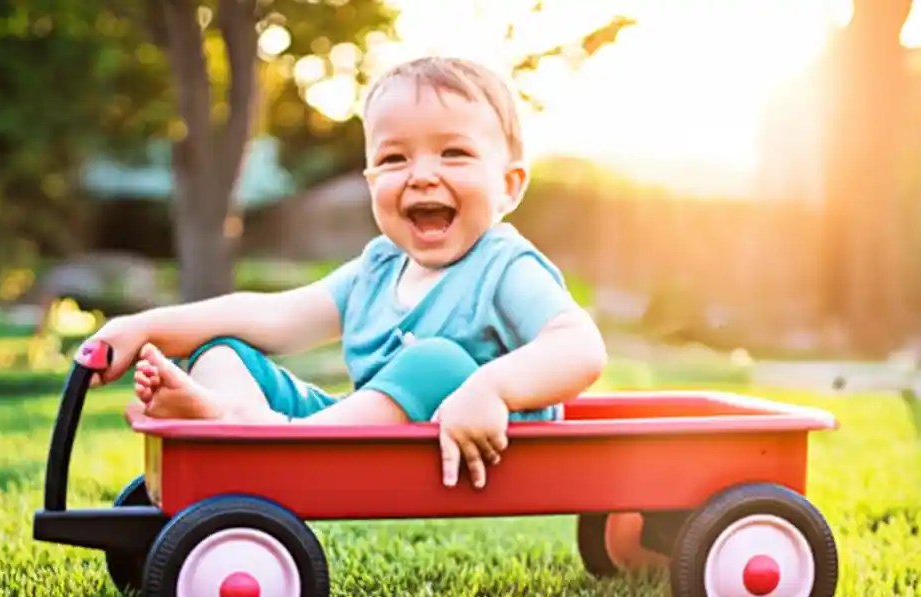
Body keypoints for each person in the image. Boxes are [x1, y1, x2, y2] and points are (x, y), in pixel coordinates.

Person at [83, 56, 607, 489]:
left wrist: (492, 389)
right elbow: (272, 315)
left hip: (487, 442)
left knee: (438, 361)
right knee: (224, 349)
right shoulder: (377, 268)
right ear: (370, 177)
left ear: (510, 185)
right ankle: (242, 425)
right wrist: (148, 327)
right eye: (395, 158)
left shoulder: (503, 267)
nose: (422, 175)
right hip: (355, 432)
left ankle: (263, 437)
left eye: (455, 153)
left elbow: (580, 348)